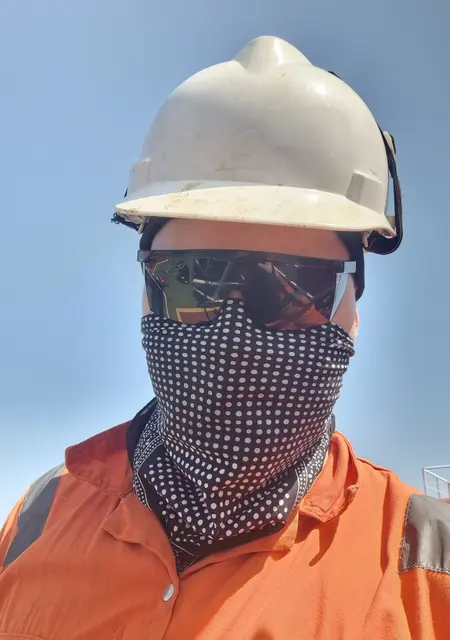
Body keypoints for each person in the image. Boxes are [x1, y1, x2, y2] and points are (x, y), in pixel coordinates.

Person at [0, 36, 449, 640]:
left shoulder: (427, 573)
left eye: (292, 287)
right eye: (191, 280)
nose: (234, 333)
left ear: (353, 314)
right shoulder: (35, 522)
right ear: (145, 295)